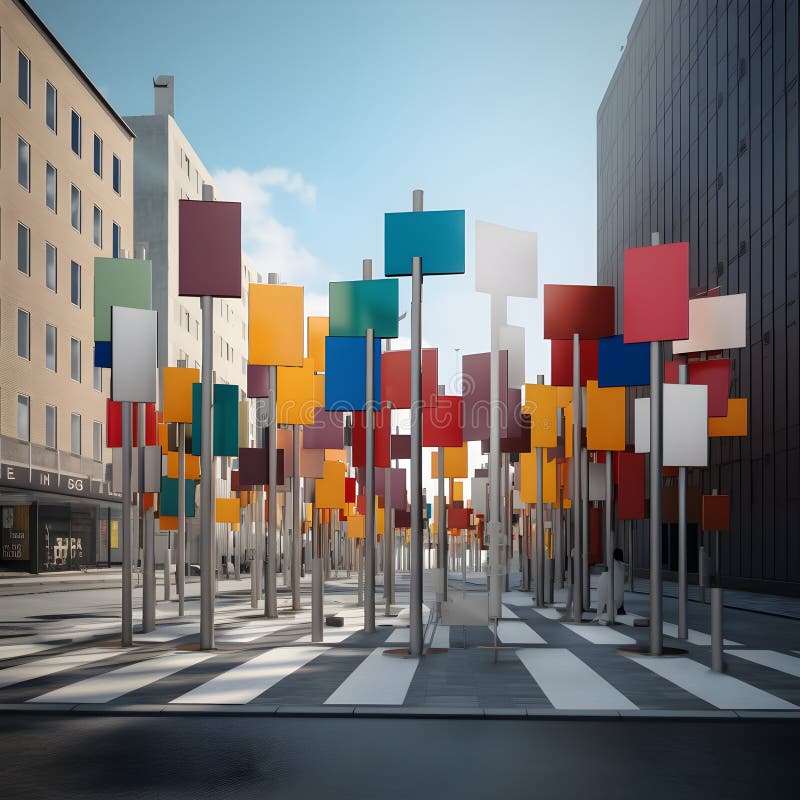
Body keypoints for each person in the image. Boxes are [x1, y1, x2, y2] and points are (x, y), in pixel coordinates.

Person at [594, 546, 626, 623]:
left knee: (603, 599)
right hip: (617, 590)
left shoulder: (611, 563)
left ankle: (601, 614)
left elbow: (606, 572)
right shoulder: (623, 565)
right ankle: (616, 612)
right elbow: (623, 580)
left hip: (606, 585)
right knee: (614, 599)